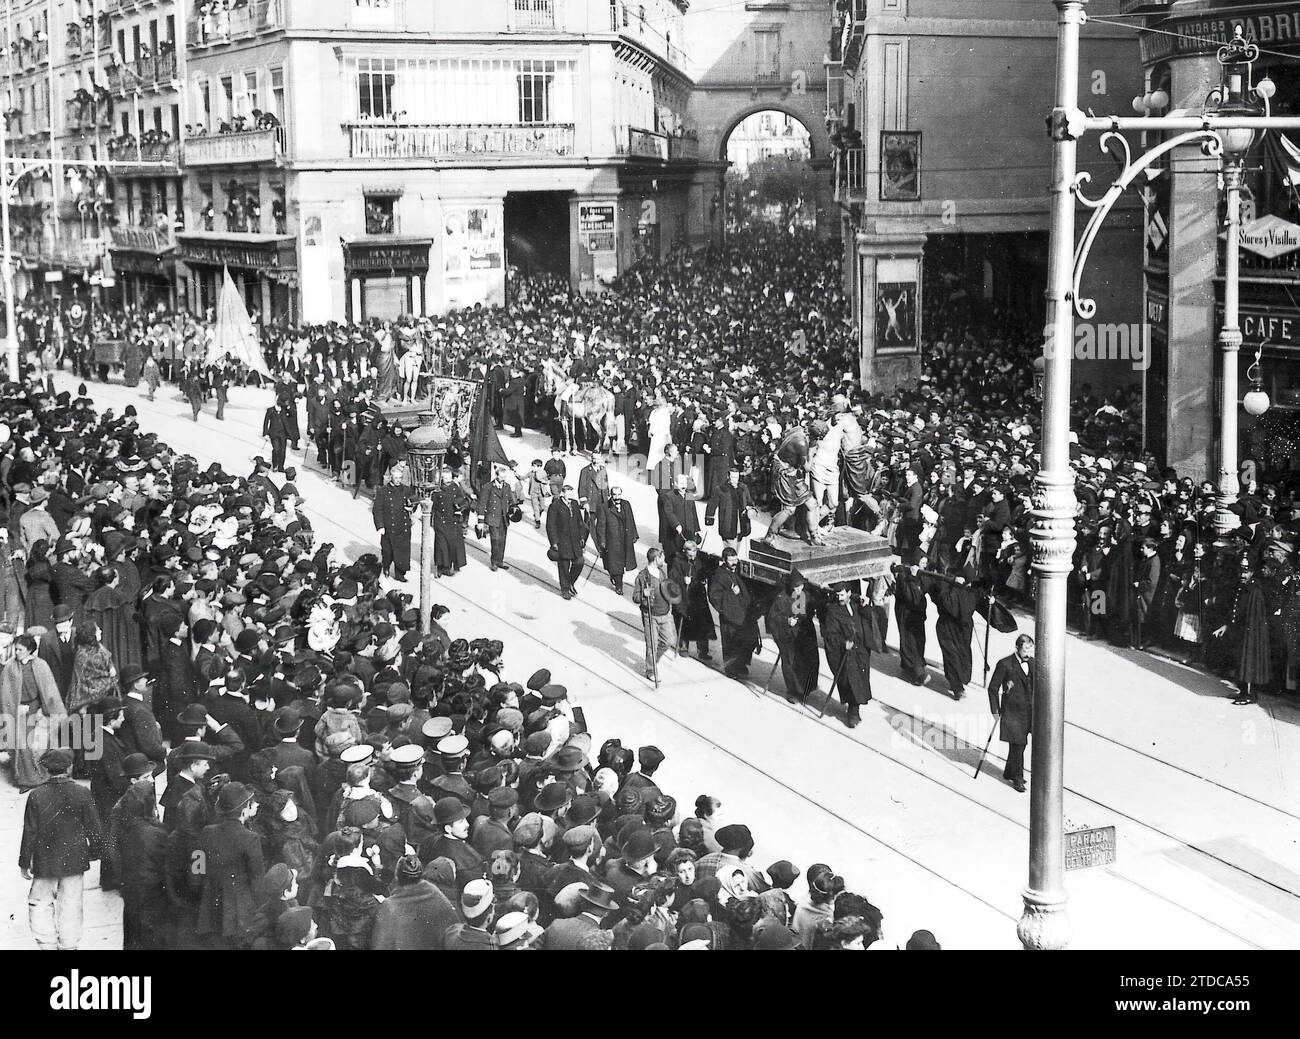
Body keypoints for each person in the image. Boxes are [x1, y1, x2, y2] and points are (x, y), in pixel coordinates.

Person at [19, 747, 103, 951]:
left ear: (46, 770)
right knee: (72, 903)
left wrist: (24, 862)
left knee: (39, 902)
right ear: (70, 767)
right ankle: (69, 944)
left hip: (44, 859)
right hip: (74, 858)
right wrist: (93, 852)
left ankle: (46, 943)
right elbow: (95, 829)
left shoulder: (36, 795)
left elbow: (30, 831)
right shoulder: (82, 793)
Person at [196, 781, 265, 949]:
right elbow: (257, 877)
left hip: (210, 899)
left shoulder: (207, 831)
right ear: (244, 810)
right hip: (238, 904)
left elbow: (196, 867)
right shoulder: (250, 838)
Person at [1, 633, 67, 789]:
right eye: (15, 649)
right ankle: (25, 778)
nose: (16, 653)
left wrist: (41, 711)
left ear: (29, 650)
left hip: (36, 709)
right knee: (21, 743)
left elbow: (48, 692)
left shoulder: (41, 665)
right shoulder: (10, 666)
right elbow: (6, 694)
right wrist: (16, 708)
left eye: (20, 650)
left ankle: (40, 775)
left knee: (36, 744)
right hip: (17, 711)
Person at [819, 585, 873, 728]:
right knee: (850, 681)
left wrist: (866, 606)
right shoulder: (833, 611)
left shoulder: (856, 605)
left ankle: (855, 709)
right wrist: (843, 643)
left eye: (842, 594)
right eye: (837, 595)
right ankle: (853, 713)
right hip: (846, 652)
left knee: (861, 680)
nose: (839, 598)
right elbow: (830, 635)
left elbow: (869, 619)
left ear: (849, 593)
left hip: (860, 651)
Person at [987, 635, 1034, 792]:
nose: (1028, 653)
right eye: (1025, 649)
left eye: (1030, 649)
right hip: (1012, 713)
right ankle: (1018, 778)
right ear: (1017, 648)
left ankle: (1009, 771)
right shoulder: (1005, 664)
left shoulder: (1032, 663)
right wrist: (995, 711)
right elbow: (993, 688)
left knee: (1018, 745)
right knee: (1019, 745)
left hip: (1029, 713)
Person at [709, 548, 757, 679]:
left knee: (743, 641)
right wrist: (731, 594)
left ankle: (741, 665)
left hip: (742, 614)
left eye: (735, 559)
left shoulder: (738, 570)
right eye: (731, 560)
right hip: (729, 616)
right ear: (724, 560)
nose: (734, 562)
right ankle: (731, 670)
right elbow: (713, 596)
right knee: (730, 643)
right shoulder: (719, 575)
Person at [632, 547, 677, 681]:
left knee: (669, 641)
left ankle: (651, 661)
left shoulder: (661, 573)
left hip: (665, 613)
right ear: (656, 558)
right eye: (662, 557)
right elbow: (635, 597)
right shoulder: (642, 576)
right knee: (652, 644)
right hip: (650, 615)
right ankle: (651, 670)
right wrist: (643, 595)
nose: (664, 560)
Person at [372, 467, 416, 581]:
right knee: (388, 551)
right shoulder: (383, 491)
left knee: (402, 551)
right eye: (396, 478)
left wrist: (411, 508)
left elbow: (413, 502)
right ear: (391, 477)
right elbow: (377, 510)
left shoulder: (406, 490)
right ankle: (386, 566)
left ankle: (400, 573)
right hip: (389, 526)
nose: (398, 480)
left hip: (403, 526)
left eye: (400, 478)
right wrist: (380, 526)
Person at [593, 485, 638, 595]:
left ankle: (615, 576)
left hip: (625, 538)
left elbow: (631, 520)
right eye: (614, 495)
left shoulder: (626, 504)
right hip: (612, 539)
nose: (617, 497)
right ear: (610, 495)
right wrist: (602, 541)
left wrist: (634, 534)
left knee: (622, 562)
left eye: (619, 494)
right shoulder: (604, 507)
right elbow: (601, 526)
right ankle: (619, 585)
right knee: (615, 563)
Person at [546, 484, 589, 600]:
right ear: (562, 494)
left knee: (579, 562)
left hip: (574, 541)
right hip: (562, 542)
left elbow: (580, 522)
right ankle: (565, 589)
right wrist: (554, 542)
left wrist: (582, 537)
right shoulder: (555, 506)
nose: (570, 496)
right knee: (564, 566)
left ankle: (570, 582)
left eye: (571, 493)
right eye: (568, 493)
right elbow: (551, 526)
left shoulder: (574, 504)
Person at [476, 464, 518, 573]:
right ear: (496, 476)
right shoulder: (488, 487)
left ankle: (500, 560)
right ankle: (494, 561)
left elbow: (511, 500)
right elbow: (481, 504)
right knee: (495, 540)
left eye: (505, 478)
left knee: (503, 540)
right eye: (501, 477)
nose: (503, 480)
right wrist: (480, 521)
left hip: (504, 518)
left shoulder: (507, 486)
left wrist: (515, 507)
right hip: (492, 517)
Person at [658, 472, 700, 570]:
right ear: (675, 484)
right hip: (674, 534)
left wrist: (696, 529)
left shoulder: (689, 495)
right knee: (673, 559)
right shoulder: (668, 496)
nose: (684, 486)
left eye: (685, 483)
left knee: (688, 558)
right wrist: (676, 524)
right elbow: (668, 513)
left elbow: (694, 513)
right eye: (681, 483)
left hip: (688, 532)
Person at [706, 466, 753, 551]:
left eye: (737, 478)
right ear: (728, 477)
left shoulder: (743, 488)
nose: (735, 480)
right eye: (733, 477)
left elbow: (750, 502)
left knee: (736, 552)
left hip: (741, 525)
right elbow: (711, 505)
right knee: (730, 552)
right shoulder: (720, 489)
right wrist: (709, 520)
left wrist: (750, 509)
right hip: (728, 525)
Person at [262, 399, 291, 472]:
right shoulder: (270, 410)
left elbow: (292, 415)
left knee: (283, 450)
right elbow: (266, 422)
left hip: (283, 433)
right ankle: (275, 464)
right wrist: (265, 433)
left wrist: (289, 408)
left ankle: (281, 466)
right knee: (276, 449)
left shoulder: (284, 410)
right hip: (274, 433)